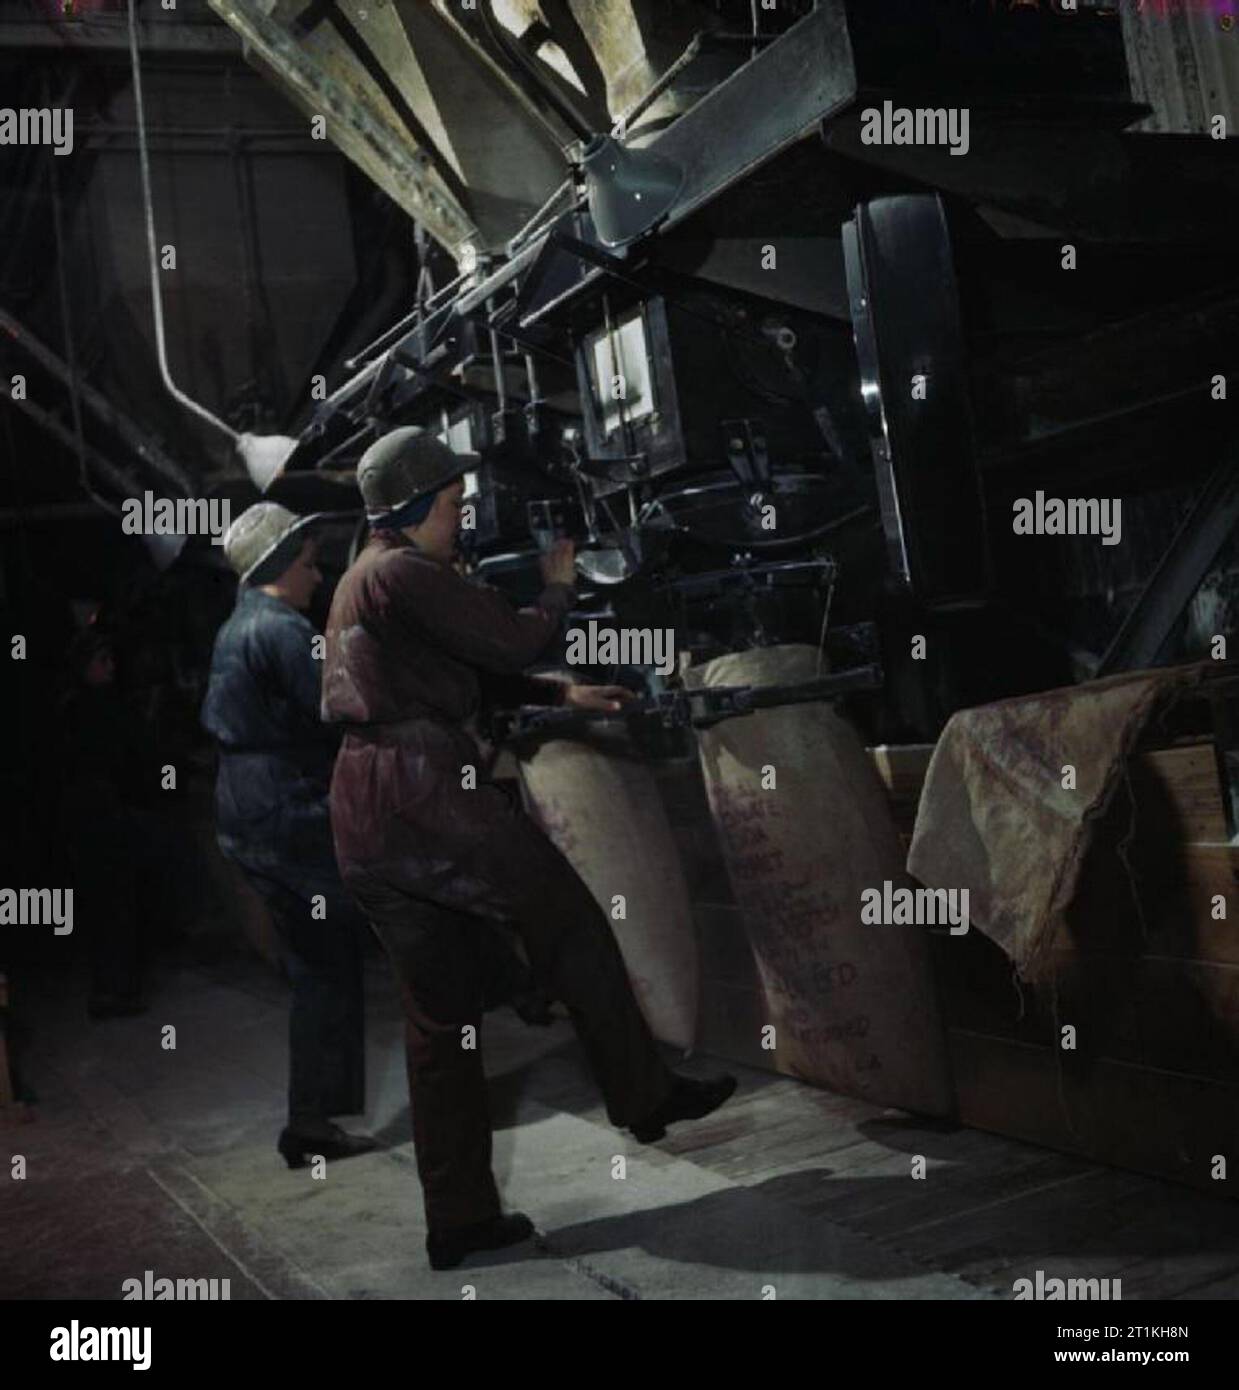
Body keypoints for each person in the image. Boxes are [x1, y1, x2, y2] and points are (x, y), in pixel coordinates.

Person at [322, 426, 736, 1271]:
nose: (461, 520)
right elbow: (509, 641)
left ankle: (461, 1221)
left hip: (365, 808)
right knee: (570, 921)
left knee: (440, 1024)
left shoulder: (362, 580)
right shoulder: (404, 570)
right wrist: (556, 587)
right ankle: (645, 1094)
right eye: (451, 505)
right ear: (407, 507)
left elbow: (460, 666)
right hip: (424, 792)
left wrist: (563, 690)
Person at [202, 503, 376, 1169]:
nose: (316, 573)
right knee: (328, 963)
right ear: (280, 566)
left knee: (316, 963)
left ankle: (313, 1120)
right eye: (307, 563)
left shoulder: (238, 625)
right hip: (287, 815)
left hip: (246, 811)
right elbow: (338, 705)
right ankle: (311, 1123)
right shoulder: (281, 629)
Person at [58, 629, 165, 1019]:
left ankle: (111, 986)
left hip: (90, 818)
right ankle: (115, 989)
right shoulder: (98, 709)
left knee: (108, 905)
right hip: (104, 816)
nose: (111, 668)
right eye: (102, 661)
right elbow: (131, 755)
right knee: (116, 904)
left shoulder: (73, 709)